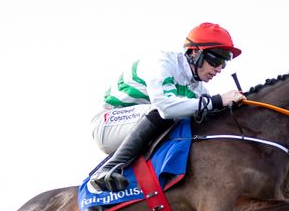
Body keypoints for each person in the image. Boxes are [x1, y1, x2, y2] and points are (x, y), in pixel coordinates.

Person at [88, 23, 246, 193]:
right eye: (216, 59)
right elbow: (166, 109)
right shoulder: (162, 62)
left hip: (139, 125)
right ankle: (107, 169)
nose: (219, 68)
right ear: (194, 52)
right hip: (109, 124)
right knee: (168, 112)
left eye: (224, 63)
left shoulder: (198, 88)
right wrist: (217, 100)